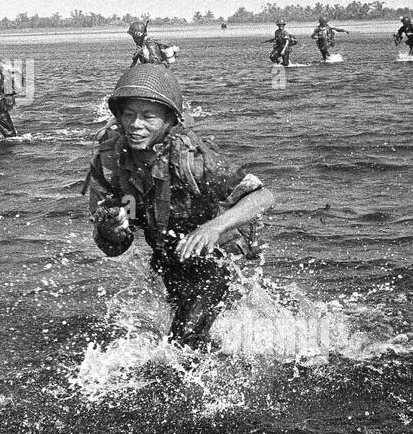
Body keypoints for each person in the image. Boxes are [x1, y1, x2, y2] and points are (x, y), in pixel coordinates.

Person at [82, 65, 275, 347]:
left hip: (216, 256)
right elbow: (116, 246)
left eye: (148, 116)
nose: (136, 125)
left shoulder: (192, 157)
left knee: (183, 341)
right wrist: (111, 227)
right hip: (169, 256)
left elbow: (263, 196)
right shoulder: (111, 162)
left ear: (169, 119)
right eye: (129, 115)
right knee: (187, 336)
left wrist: (213, 228)